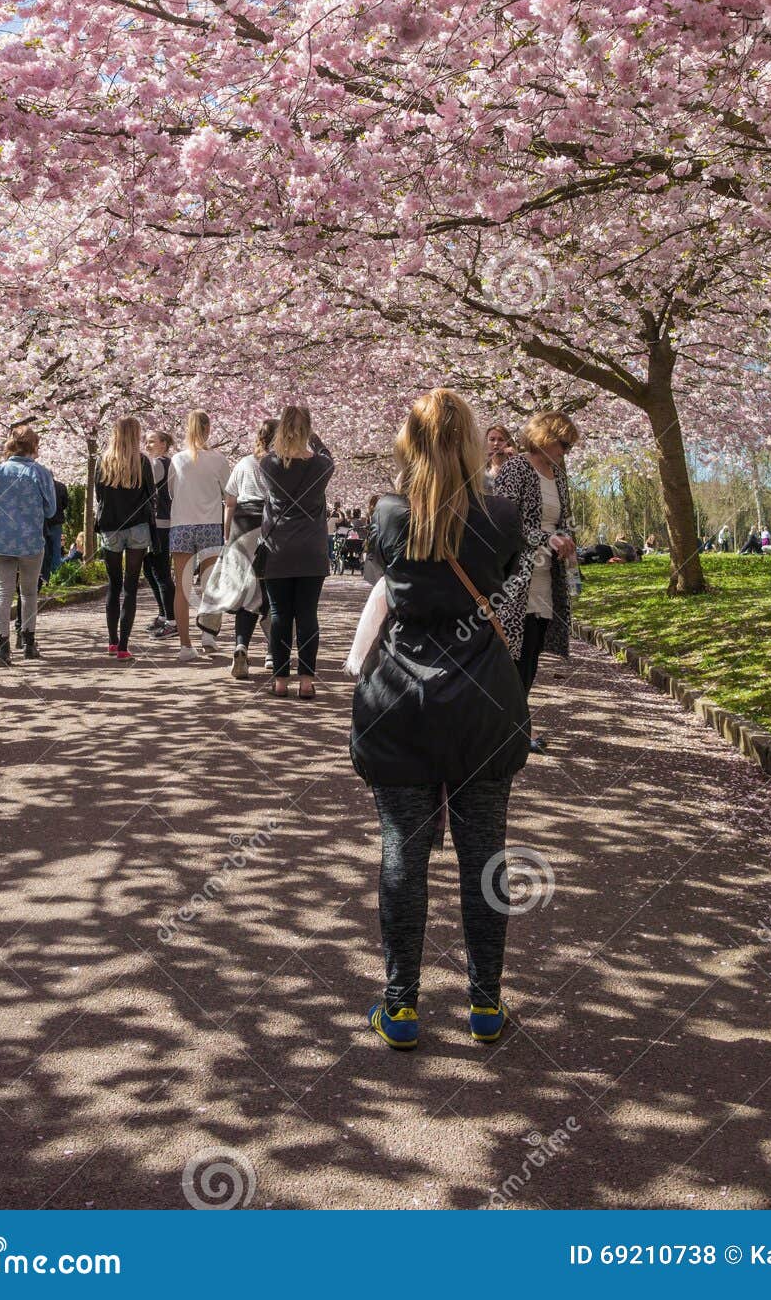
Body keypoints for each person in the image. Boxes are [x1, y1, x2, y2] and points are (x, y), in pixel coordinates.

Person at [351, 388, 530, 1050]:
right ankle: (485, 1004)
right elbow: (503, 572)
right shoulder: (502, 514)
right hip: (481, 702)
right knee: (484, 853)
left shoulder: (388, 515)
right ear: (476, 444)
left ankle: (400, 1006)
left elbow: (382, 576)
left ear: (408, 444)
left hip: (400, 700)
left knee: (403, 849)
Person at [494, 410, 579, 756]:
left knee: (529, 657)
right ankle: (507, 732)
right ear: (545, 438)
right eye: (563, 444)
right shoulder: (516, 468)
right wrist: (545, 539)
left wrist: (566, 539)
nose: (566, 452)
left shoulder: (558, 476)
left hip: (546, 580)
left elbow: (566, 519)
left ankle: (514, 731)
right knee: (510, 659)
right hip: (515, 579)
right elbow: (503, 519)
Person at [258, 405, 333, 698]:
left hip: (279, 547)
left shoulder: (268, 464)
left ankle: (279, 680)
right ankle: (306, 680)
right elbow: (327, 454)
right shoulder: (322, 466)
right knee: (307, 614)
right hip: (312, 548)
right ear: (309, 429)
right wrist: (311, 436)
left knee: (279, 614)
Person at [0, 425, 56, 665]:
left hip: (0, 540)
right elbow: (51, 509)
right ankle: (28, 642)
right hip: (30, 541)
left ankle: (2, 646)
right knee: (29, 591)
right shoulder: (41, 473)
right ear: (33, 446)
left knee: (3, 590)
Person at [214, 416, 277, 679]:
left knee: (247, 592)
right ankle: (273, 653)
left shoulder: (243, 463)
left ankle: (241, 644)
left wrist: (228, 535)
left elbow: (230, 502)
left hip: (242, 524)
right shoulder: (281, 465)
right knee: (272, 590)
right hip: (269, 524)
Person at [168, 411, 231, 662]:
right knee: (209, 585)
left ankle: (185, 646)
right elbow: (229, 494)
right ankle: (208, 635)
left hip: (182, 525)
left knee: (182, 588)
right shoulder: (218, 459)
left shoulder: (178, 459)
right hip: (209, 524)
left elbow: (172, 492)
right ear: (208, 429)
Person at [94, 417, 154, 659]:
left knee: (113, 584)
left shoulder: (103, 461)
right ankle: (123, 646)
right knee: (130, 587)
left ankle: (111, 640)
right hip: (137, 527)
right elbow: (152, 496)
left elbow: (100, 496)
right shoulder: (142, 462)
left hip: (111, 527)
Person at [143, 429, 177, 638]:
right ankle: (164, 615)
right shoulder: (167, 463)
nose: (147, 445)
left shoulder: (157, 464)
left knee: (160, 571)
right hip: (160, 522)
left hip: (159, 523)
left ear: (163, 444)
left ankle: (171, 619)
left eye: (152, 441)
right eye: (146, 442)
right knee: (150, 569)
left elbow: (144, 487)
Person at [41, 474, 69, 582]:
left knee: (44, 550)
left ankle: (45, 576)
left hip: (44, 522)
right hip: (57, 522)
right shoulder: (61, 486)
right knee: (56, 550)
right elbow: (65, 504)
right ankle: (55, 576)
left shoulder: (42, 487)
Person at [484, 423, 515, 487]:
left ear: (508, 443)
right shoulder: (482, 469)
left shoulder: (516, 466)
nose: (496, 443)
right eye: (492, 439)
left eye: (501, 440)